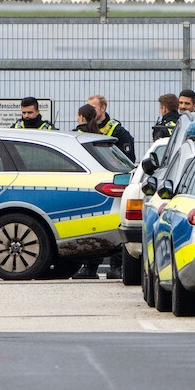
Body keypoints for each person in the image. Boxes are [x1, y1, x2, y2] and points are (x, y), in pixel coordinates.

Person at [75, 102, 122, 280]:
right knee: (112, 228)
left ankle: (90, 268)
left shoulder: (77, 136)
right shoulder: (100, 137)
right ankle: (116, 268)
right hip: (107, 186)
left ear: (81, 117)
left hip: (83, 187)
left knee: (88, 229)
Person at [87, 94, 136, 161]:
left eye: (93, 108)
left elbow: (128, 160)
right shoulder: (84, 129)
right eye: (88, 108)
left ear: (103, 108)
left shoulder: (119, 132)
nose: (89, 111)